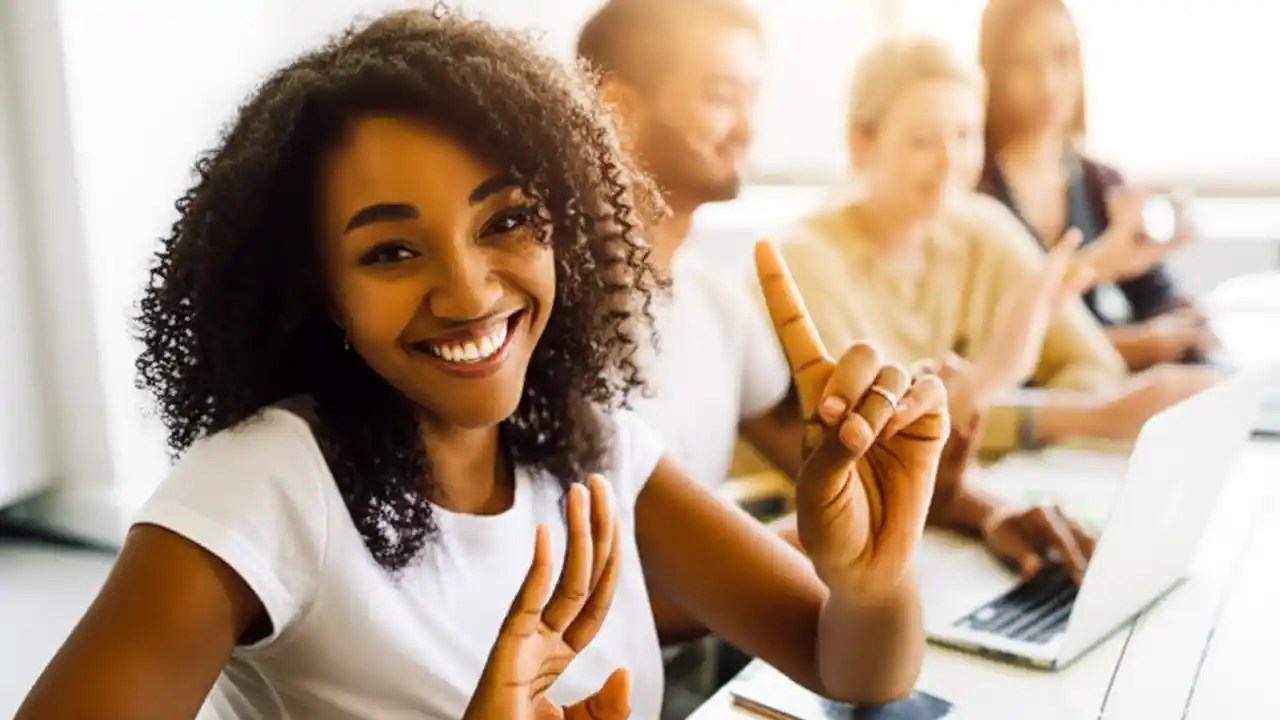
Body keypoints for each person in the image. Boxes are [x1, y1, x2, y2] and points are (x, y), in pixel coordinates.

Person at [18, 10, 951, 719]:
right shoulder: (263, 489)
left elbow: (853, 666)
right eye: (391, 251)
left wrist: (871, 581)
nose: (466, 293)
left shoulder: (592, 448)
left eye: (505, 222)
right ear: (319, 286)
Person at [576, 0, 1096, 601]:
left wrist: (984, 511)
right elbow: (623, 594)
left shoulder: (714, 301)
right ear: (617, 111)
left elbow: (842, 469)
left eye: (752, 98)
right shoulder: (554, 318)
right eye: (721, 97)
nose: (748, 129)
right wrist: (856, 542)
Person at [777, 37, 1217, 457]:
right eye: (922, 141)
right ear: (860, 145)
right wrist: (999, 381)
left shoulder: (984, 227)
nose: (950, 160)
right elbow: (875, 442)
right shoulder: (805, 259)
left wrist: (989, 412)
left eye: (966, 135)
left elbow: (1095, 368)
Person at [976, 0, 1215, 371]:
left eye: (1062, 57)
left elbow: (1156, 293)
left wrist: (1184, 321)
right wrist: (1131, 343)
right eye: (1025, 63)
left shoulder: (1100, 183)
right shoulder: (974, 192)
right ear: (993, 69)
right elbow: (985, 338)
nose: (1048, 82)